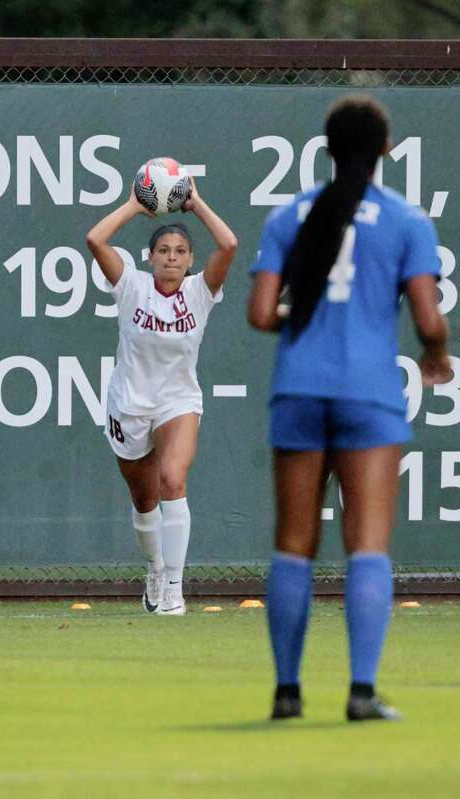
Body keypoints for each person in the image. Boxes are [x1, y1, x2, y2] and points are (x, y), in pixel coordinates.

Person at [248, 95, 452, 722]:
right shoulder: (405, 221)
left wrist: (304, 314)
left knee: (293, 543)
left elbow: (260, 314)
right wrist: (435, 354)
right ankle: (361, 693)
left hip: (300, 387)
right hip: (368, 395)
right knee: (367, 543)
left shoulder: (290, 215)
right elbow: (427, 317)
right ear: (385, 150)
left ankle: (288, 692)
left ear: (328, 149)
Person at [86, 176, 238, 616]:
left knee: (173, 479)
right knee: (144, 499)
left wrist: (197, 204)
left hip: (178, 401)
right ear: (150, 258)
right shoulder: (131, 285)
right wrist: (135, 204)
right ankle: (155, 566)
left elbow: (228, 245)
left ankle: (174, 585)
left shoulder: (200, 291)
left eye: (180, 252)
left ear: (190, 260)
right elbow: (95, 238)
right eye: (163, 251)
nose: (171, 258)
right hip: (130, 402)